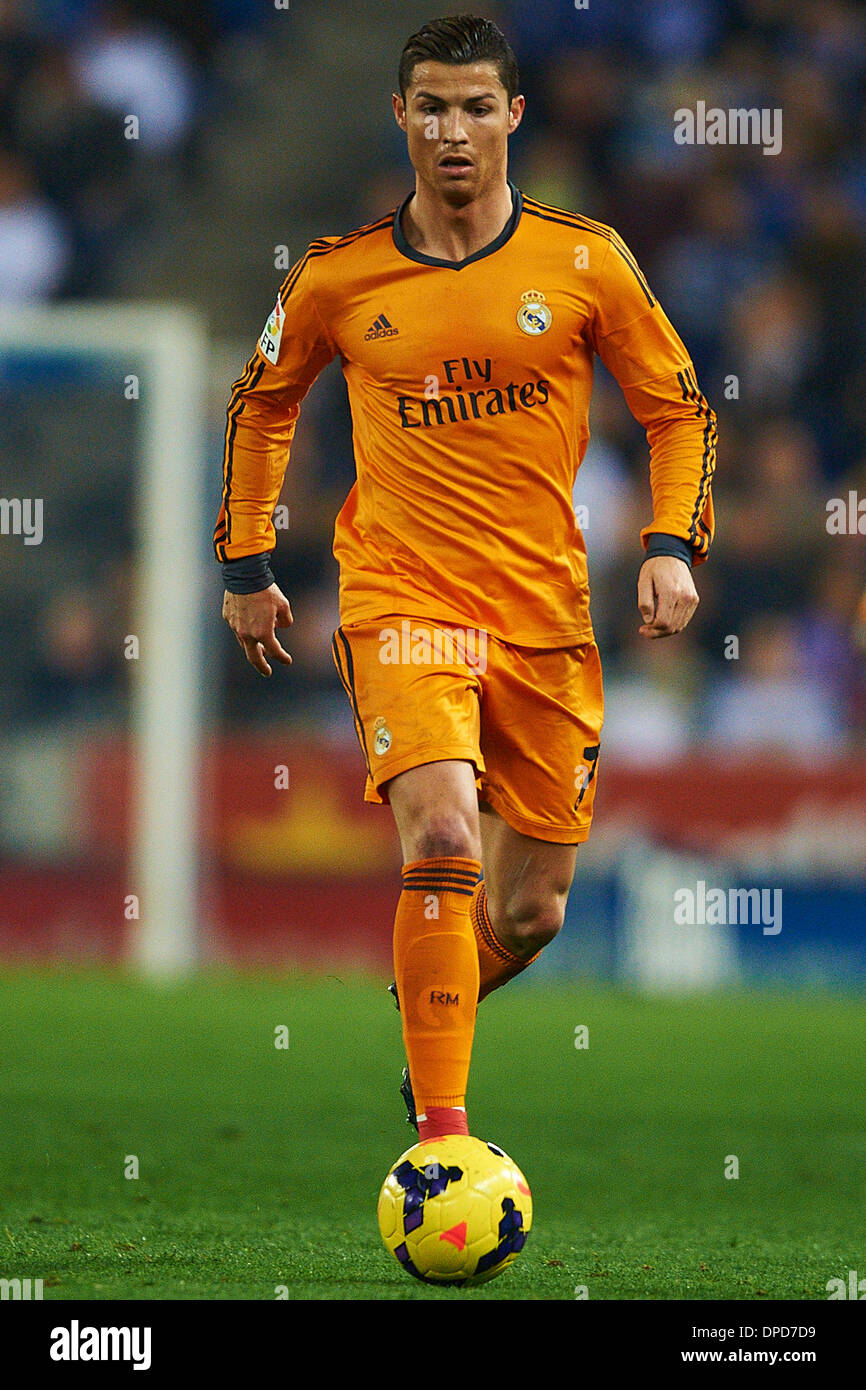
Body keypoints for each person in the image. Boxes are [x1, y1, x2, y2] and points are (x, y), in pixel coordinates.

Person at [215, 15, 716, 1143]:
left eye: (475, 106)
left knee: (528, 911)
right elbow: (261, 404)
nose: (453, 130)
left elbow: (676, 409)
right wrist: (245, 558)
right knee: (440, 838)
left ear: (513, 118)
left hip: (543, 613)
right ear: (399, 116)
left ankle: (428, 996)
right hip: (400, 596)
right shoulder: (337, 278)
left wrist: (670, 545)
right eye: (430, 107)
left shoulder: (584, 260)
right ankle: (443, 1136)